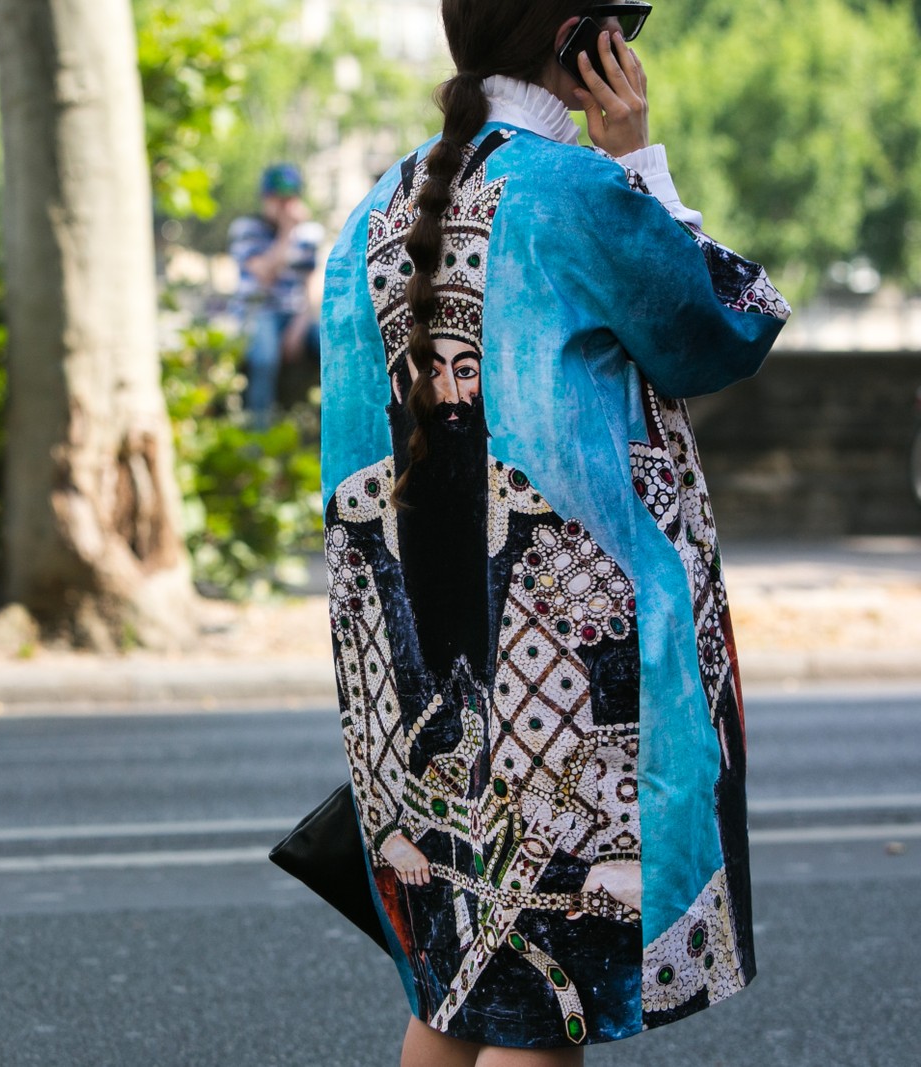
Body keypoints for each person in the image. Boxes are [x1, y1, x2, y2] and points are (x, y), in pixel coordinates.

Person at [318, 2, 789, 1063]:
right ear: (585, 38)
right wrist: (640, 163)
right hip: (568, 670)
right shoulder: (575, 192)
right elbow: (721, 329)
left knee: (459, 986)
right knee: (547, 1006)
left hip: (410, 670)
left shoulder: (372, 212)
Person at [230, 163, 324, 421]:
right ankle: (259, 433)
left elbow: (311, 288)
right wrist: (286, 232)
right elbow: (264, 273)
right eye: (278, 199)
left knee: (331, 347)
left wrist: (298, 326)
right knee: (264, 357)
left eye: (289, 199)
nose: (284, 206)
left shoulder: (309, 234)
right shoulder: (247, 229)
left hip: (295, 315)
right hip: (257, 312)